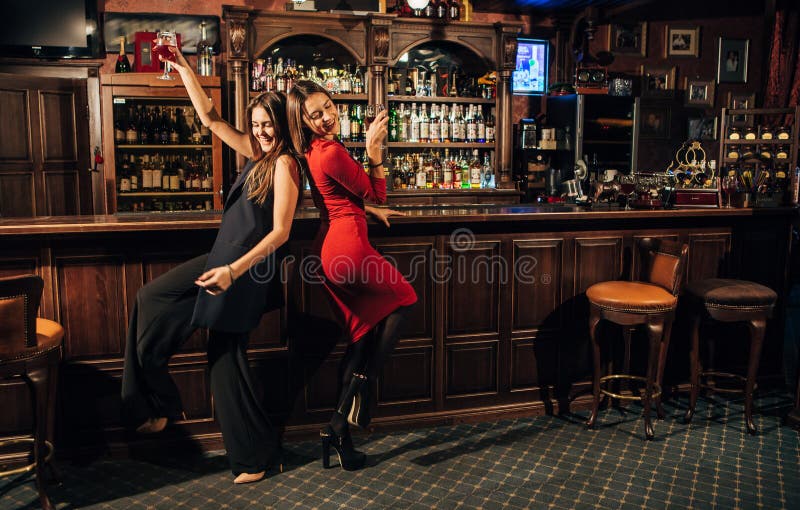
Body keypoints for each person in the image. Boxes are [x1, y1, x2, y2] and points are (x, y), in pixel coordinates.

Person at [120, 46, 301, 484]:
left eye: (266, 125)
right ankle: (157, 405)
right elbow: (211, 120)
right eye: (255, 126)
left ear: (282, 124)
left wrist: (233, 271)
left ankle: (255, 457)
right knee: (151, 297)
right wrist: (185, 70)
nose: (259, 133)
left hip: (245, 270)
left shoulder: (286, 165)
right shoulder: (257, 154)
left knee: (223, 354)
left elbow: (279, 233)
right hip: (221, 259)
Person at [286, 81, 417, 471]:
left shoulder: (311, 151)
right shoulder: (330, 151)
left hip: (328, 253)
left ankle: (337, 435)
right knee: (404, 300)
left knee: (361, 338)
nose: (327, 117)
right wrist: (375, 153)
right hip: (349, 250)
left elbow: (344, 198)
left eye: (328, 106)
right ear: (304, 121)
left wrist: (368, 207)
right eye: (316, 114)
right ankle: (355, 403)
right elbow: (378, 194)